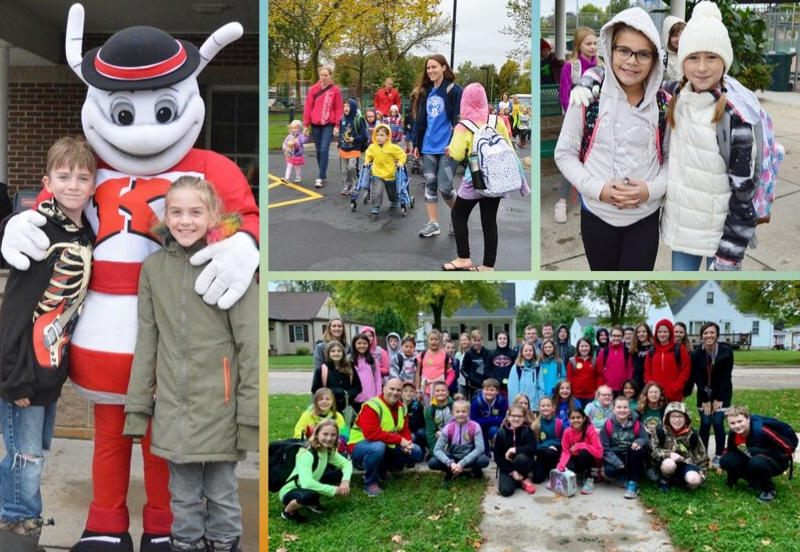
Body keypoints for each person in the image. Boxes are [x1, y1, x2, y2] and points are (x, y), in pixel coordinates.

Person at [124, 176, 258, 551]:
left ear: (213, 214)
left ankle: (224, 545)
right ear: (165, 216)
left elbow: (250, 343)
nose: (185, 221)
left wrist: (249, 416)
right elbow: (147, 343)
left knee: (222, 497)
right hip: (173, 410)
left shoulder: (230, 265)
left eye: (196, 212)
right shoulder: (153, 269)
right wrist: (137, 407)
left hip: (221, 409)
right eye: (177, 212)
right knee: (182, 499)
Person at [0, 137, 96, 548]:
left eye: (82, 177)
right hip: (24, 373)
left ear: (93, 184)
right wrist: (14, 378)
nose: (73, 185)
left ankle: (16, 523)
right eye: (64, 176)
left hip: (49, 371)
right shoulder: (39, 232)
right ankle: (17, 532)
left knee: (31, 455)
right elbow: (14, 311)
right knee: (26, 461)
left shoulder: (84, 232)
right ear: (48, 182)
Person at [555, 7, 667, 270]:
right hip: (597, 216)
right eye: (623, 50)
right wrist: (598, 189)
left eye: (643, 54)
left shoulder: (663, 104)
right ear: (610, 49)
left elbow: (673, 160)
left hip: (644, 218)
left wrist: (650, 190)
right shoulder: (586, 98)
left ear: (654, 59)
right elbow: (564, 154)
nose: (631, 61)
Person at [661, 2, 760, 271]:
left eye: (712, 57)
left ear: (724, 60)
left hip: (721, 240)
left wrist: (730, 254)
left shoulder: (735, 116)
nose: (702, 67)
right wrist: (589, 81)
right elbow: (631, 77)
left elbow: (743, 193)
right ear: (682, 60)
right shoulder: (676, 95)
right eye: (693, 57)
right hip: (683, 235)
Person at [442, 83, 529, 271]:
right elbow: (508, 147)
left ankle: (463, 257)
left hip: (474, 178)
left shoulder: (463, 126)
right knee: (489, 220)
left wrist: (450, 150)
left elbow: (457, 153)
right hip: (496, 179)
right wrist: (521, 179)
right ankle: (488, 266)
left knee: (458, 215)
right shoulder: (497, 121)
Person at [412, 54, 463, 238]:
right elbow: (419, 119)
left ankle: (458, 217)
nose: (431, 71)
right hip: (428, 147)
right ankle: (433, 223)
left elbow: (460, 119)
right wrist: (416, 142)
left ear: (443, 67)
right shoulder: (424, 92)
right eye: (428, 68)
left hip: (448, 148)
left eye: (434, 67)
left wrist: (457, 141)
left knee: (445, 188)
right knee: (430, 185)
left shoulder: (454, 89)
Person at [554, 26, 600, 224]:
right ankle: (561, 201)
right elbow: (564, 95)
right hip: (575, 121)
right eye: (589, 43)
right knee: (570, 158)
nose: (593, 47)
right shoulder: (570, 67)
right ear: (579, 45)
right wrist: (574, 119)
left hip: (597, 122)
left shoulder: (601, 65)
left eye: (595, 43)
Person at [347, 378, 424, 497]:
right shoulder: (372, 406)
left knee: (416, 452)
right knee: (378, 447)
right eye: (391, 389)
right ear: (384, 389)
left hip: (385, 443)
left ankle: (381, 470)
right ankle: (370, 482)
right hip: (360, 445)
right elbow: (371, 434)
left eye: (398, 390)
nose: (395, 392)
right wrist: (400, 440)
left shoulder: (402, 407)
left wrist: (407, 443)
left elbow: (404, 430)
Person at [279, 420, 353, 524]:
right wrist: (335, 490)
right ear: (317, 434)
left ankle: (313, 502)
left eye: (333, 435)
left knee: (339, 474)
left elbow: (346, 464)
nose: (329, 438)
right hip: (291, 489)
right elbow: (307, 483)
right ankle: (287, 512)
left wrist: (345, 481)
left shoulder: (327, 450)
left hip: (310, 482)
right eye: (325, 434)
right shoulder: (307, 454)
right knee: (308, 495)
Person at [720, 405, 796, 502]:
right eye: (732, 423)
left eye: (740, 421)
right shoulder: (734, 433)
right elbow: (731, 451)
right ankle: (750, 479)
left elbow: (788, 447)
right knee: (725, 460)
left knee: (757, 462)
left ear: (748, 419)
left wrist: (765, 454)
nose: (737, 426)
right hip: (754, 457)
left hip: (776, 461)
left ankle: (769, 490)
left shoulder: (762, 430)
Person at [690, 322, 733, 468]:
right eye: (705, 333)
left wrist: (719, 398)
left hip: (723, 393)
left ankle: (719, 455)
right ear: (701, 336)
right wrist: (706, 400)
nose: (709, 335)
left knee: (718, 422)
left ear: (717, 334)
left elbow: (726, 376)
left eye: (712, 332)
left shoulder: (726, 351)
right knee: (706, 422)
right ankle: (703, 455)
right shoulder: (696, 354)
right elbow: (697, 378)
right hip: (704, 394)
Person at [650, 402, 708, 491]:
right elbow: (653, 451)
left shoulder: (693, 434)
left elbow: (703, 459)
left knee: (694, 480)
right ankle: (665, 479)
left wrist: (701, 477)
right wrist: (669, 454)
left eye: (680, 417)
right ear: (667, 418)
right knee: (669, 464)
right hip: (666, 464)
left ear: (686, 418)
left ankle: (683, 481)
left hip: (686, 465)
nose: (677, 420)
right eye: (673, 416)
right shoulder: (660, 431)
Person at [428, 400, 490, 483]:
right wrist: (450, 463)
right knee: (432, 462)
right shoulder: (448, 428)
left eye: (463, 411)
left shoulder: (475, 426)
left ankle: (475, 470)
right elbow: (437, 449)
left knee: (483, 460)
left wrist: (462, 463)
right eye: (457, 411)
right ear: (453, 413)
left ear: (468, 412)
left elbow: (480, 448)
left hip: (469, 458)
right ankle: (450, 471)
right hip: (453, 458)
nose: (460, 414)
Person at [303, 65, 343, 188]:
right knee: (319, 150)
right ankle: (323, 173)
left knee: (324, 149)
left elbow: (339, 108)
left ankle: (320, 177)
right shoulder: (313, 89)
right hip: (315, 124)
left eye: (326, 75)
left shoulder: (335, 90)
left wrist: (337, 125)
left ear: (330, 76)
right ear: (319, 76)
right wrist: (306, 124)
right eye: (322, 75)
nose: (324, 77)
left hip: (328, 123)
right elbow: (308, 107)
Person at [600, 396, 648, 498]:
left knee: (635, 448)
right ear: (614, 409)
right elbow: (604, 447)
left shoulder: (637, 423)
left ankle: (633, 482)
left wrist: (639, 441)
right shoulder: (608, 425)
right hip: (616, 455)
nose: (622, 410)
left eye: (625, 407)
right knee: (610, 471)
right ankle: (623, 473)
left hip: (632, 455)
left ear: (630, 409)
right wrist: (616, 462)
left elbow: (645, 439)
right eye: (619, 407)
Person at [557, 408, 604, 495]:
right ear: (569, 419)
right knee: (566, 466)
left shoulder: (591, 431)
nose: (576, 420)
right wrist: (560, 467)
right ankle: (580, 474)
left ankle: (589, 478)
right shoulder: (567, 432)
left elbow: (599, 453)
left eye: (578, 417)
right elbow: (565, 451)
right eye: (573, 418)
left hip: (591, 460)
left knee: (583, 452)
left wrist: (581, 445)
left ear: (584, 419)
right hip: (576, 458)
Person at [494, 404, 538, 496]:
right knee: (506, 491)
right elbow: (497, 456)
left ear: (524, 418)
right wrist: (512, 471)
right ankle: (518, 480)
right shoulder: (502, 432)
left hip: (522, 464)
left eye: (519, 416)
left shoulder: (527, 430)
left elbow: (533, 448)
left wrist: (514, 449)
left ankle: (524, 478)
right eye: (513, 416)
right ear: (508, 417)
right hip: (507, 466)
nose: (516, 419)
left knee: (521, 458)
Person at [364, 124, 407, 215]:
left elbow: (401, 155)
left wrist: (400, 163)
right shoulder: (372, 147)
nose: (379, 137)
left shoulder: (392, 147)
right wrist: (367, 161)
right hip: (377, 173)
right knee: (377, 190)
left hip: (390, 173)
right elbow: (368, 154)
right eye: (377, 135)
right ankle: (376, 205)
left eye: (382, 135)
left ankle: (394, 199)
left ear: (387, 136)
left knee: (392, 192)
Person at [644, 319, 691, 403]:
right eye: (659, 332)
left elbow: (685, 370)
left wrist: (676, 387)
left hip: (675, 394)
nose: (662, 334)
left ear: (670, 333)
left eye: (665, 331)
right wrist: (652, 387)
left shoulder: (680, 349)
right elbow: (647, 372)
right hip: (655, 395)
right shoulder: (651, 351)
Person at [311, 341, 362, 416]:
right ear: (328, 353)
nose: (336, 353)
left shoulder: (350, 368)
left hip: (345, 407)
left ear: (343, 353)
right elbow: (315, 389)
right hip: (327, 408)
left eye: (339, 351)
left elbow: (358, 387)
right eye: (333, 351)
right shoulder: (322, 369)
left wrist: (348, 394)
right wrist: (334, 391)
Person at [337, 98, 369, 196]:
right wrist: (339, 142)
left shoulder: (358, 120)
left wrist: (354, 139)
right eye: (344, 106)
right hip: (344, 148)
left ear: (353, 107)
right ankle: (347, 185)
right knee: (344, 170)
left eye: (348, 106)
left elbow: (364, 136)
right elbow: (341, 132)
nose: (346, 108)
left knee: (351, 167)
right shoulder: (342, 119)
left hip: (354, 148)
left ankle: (355, 185)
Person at [416, 329, 454, 405]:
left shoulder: (445, 355)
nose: (434, 341)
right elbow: (418, 373)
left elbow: (451, 373)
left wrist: (445, 385)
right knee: (427, 411)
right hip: (425, 390)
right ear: (428, 340)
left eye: (436, 339)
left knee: (440, 410)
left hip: (440, 392)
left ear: (440, 341)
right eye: (431, 339)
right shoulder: (422, 355)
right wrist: (417, 390)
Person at [470, 378, 508, 452]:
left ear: (497, 391)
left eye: (492, 390)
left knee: (495, 431)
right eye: (487, 390)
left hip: (495, 427)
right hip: (480, 427)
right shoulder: (476, 402)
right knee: (482, 440)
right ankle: (485, 451)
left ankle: (495, 449)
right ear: (482, 390)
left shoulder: (502, 401)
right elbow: (474, 421)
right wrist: (494, 419)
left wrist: (486, 420)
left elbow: (503, 419)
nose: (489, 392)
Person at [532, 397, 563, 483]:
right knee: (537, 479)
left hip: (554, 454)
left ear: (553, 407)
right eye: (543, 406)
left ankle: (552, 469)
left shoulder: (559, 423)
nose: (545, 408)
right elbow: (534, 444)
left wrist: (550, 444)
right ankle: (543, 469)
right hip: (541, 453)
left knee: (550, 452)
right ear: (539, 408)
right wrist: (546, 446)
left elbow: (561, 441)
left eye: (548, 406)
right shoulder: (535, 424)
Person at [596, 326, 633, 396]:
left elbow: (630, 370)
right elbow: (599, 372)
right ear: (610, 337)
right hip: (607, 390)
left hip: (622, 390)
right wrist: (600, 387)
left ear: (623, 337)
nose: (616, 338)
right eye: (614, 336)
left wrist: (627, 386)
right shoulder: (604, 352)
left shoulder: (627, 352)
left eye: (619, 336)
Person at [567, 338, 603, 408]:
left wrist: (598, 390)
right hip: (576, 395)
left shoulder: (595, 361)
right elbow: (569, 378)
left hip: (591, 395)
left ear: (590, 347)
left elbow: (599, 376)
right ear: (578, 348)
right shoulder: (572, 361)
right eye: (582, 346)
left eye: (586, 346)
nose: (584, 348)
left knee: (589, 414)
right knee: (577, 413)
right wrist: (570, 392)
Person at [350, 333, 381, 411]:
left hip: (371, 398)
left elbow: (377, 379)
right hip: (356, 399)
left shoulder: (373, 360)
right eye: (359, 343)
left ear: (368, 344)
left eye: (364, 343)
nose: (362, 346)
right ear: (354, 344)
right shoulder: (350, 360)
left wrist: (378, 396)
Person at [507, 342, 542, 411]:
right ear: (522, 353)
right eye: (526, 351)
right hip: (520, 406)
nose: (528, 353)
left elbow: (541, 386)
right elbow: (512, 389)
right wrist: (513, 407)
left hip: (534, 406)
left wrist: (541, 403)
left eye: (530, 350)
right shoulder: (516, 367)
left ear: (534, 352)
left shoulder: (537, 367)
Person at [461, 329, 491, 400]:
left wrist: (487, 378)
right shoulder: (469, 353)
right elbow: (463, 369)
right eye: (475, 341)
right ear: (471, 341)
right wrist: (470, 377)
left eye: (479, 340)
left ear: (482, 340)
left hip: (485, 385)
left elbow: (490, 367)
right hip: (472, 386)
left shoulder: (487, 352)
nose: (477, 343)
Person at [424, 381, 454, 452]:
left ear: (447, 393)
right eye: (437, 391)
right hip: (438, 438)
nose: (440, 393)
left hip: (453, 436)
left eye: (443, 390)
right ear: (434, 394)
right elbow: (430, 433)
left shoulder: (454, 406)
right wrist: (435, 452)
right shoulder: (430, 410)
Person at [401, 381, 427, 454]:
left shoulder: (418, 405)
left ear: (415, 394)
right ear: (401, 393)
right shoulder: (398, 405)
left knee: (419, 433)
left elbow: (418, 423)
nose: (408, 393)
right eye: (406, 391)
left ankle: (421, 450)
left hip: (415, 429)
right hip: (402, 430)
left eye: (411, 391)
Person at [488, 331, 516, 396]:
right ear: (497, 340)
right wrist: (495, 380)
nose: (502, 340)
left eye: (504, 338)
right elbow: (487, 369)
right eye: (500, 338)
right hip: (494, 385)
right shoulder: (491, 353)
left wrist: (508, 380)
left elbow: (515, 370)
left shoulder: (513, 353)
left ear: (508, 340)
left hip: (510, 385)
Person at [630, 322, 653, 389]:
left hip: (650, 381)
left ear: (648, 333)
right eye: (638, 332)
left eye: (644, 331)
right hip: (637, 382)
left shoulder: (653, 347)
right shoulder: (634, 348)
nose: (641, 334)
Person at [662, 16, 685, 82]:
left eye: (682, 35)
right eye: (675, 35)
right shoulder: (662, 57)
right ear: (667, 37)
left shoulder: (688, 55)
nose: (679, 39)